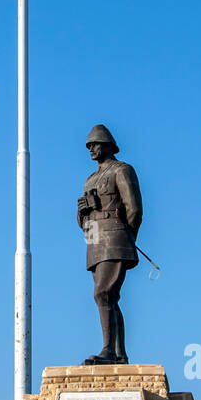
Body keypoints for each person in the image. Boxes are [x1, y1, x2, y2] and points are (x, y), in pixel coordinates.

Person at [77, 125, 143, 365]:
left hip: (115, 237)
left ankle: (109, 350)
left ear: (107, 145)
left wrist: (127, 237)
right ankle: (118, 353)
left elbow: (134, 209)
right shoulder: (90, 180)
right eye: (89, 146)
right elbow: (82, 221)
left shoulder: (122, 170)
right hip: (94, 241)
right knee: (108, 297)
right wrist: (84, 212)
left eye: (95, 144)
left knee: (103, 293)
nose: (91, 149)